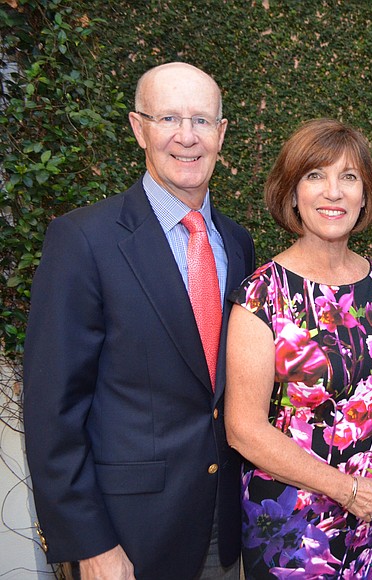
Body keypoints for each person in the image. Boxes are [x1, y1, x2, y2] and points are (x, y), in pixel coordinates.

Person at [23, 62, 255, 579]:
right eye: (168, 118)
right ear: (138, 128)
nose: (186, 136)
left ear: (221, 134)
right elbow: (52, 411)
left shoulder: (237, 244)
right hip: (126, 536)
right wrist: (91, 545)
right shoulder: (83, 240)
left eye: (201, 120)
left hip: (222, 526)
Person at [225, 118, 372, 578]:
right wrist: (345, 488)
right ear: (293, 194)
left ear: (365, 195)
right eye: (315, 175)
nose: (333, 192)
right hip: (293, 534)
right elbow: (243, 429)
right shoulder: (262, 296)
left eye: (348, 177)